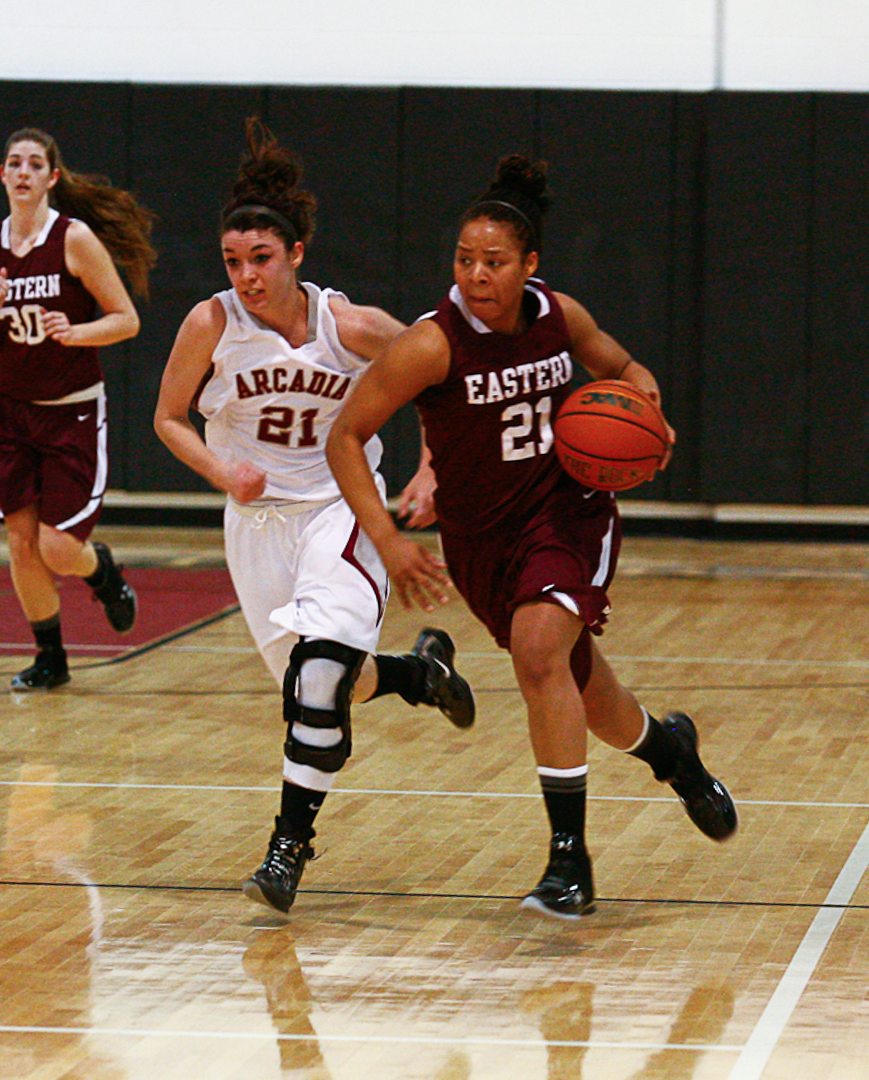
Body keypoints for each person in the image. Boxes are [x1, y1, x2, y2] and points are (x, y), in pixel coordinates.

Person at [325, 155, 737, 920]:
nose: (477, 274)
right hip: (481, 542)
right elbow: (345, 436)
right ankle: (670, 752)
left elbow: (621, 363)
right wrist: (387, 541)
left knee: (539, 653)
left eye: (495, 261)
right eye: (464, 259)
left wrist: (646, 405)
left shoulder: (558, 316)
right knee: (591, 695)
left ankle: (568, 863)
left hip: (567, 513)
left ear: (529, 265)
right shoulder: (430, 345)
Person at [153, 119, 476, 915]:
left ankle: (286, 850)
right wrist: (222, 467)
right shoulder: (210, 325)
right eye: (233, 261)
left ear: (296, 255)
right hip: (258, 528)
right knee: (323, 692)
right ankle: (414, 673)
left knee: (320, 679)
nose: (246, 276)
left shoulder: (353, 327)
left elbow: (439, 378)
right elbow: (167, 417)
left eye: (260, 259)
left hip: (342, 509)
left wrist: (431, 468)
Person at [0, 128, 156, 690]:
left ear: (51, 177)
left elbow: (126, 319)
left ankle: (104, 573)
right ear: (2, 175)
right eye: (13, 162)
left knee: (60, 547)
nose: (22, 172)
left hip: (71, 413)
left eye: (34, 163)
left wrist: (77, 330)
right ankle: (51, 657)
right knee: (21, 544)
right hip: (10, 413)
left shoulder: (74, 239)